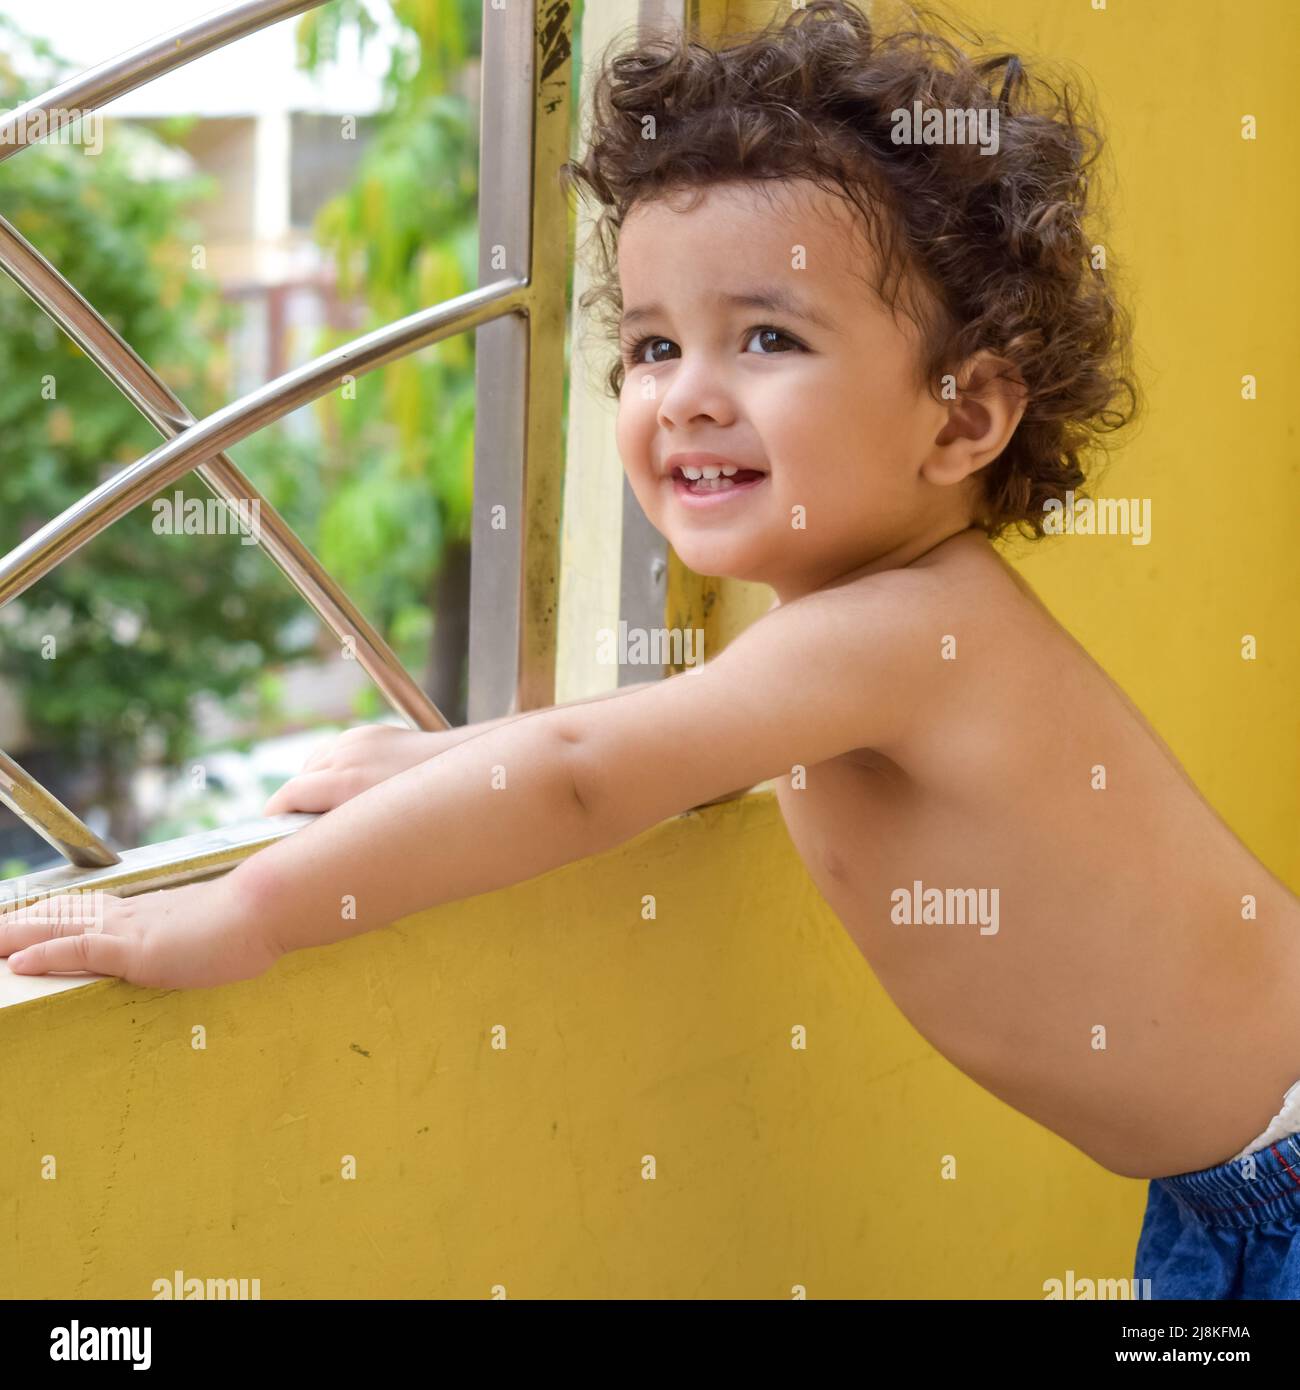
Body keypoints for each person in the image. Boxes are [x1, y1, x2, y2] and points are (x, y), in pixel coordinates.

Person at [4, 0, 1298, 1300]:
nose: (685, 391)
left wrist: (247, 911)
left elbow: (588, 771)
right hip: (1223, 1193)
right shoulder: (858, 635)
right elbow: (661, 745)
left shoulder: (909, 631)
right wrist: (457, 755)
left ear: (962, 418)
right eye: (654, 345)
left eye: (770, 337)